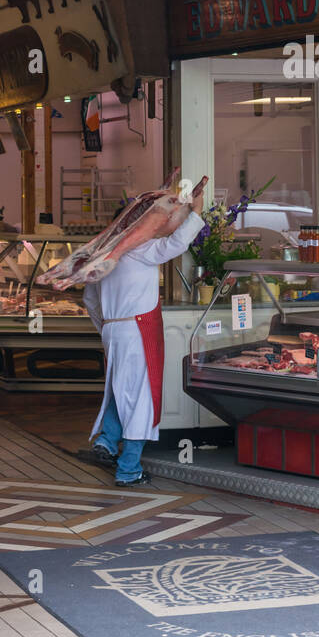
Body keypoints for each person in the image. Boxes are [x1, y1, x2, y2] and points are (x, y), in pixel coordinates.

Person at [81, 181, 206, 486]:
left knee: (119, 389)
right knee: (141, 397)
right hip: (136, 329)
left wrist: (106, 328)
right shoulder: (140, 248)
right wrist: (197, 212)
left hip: (113, 328)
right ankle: (128, 469)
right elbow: (176, 244)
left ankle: (107, 442)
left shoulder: (103, 251)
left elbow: (89, 299)